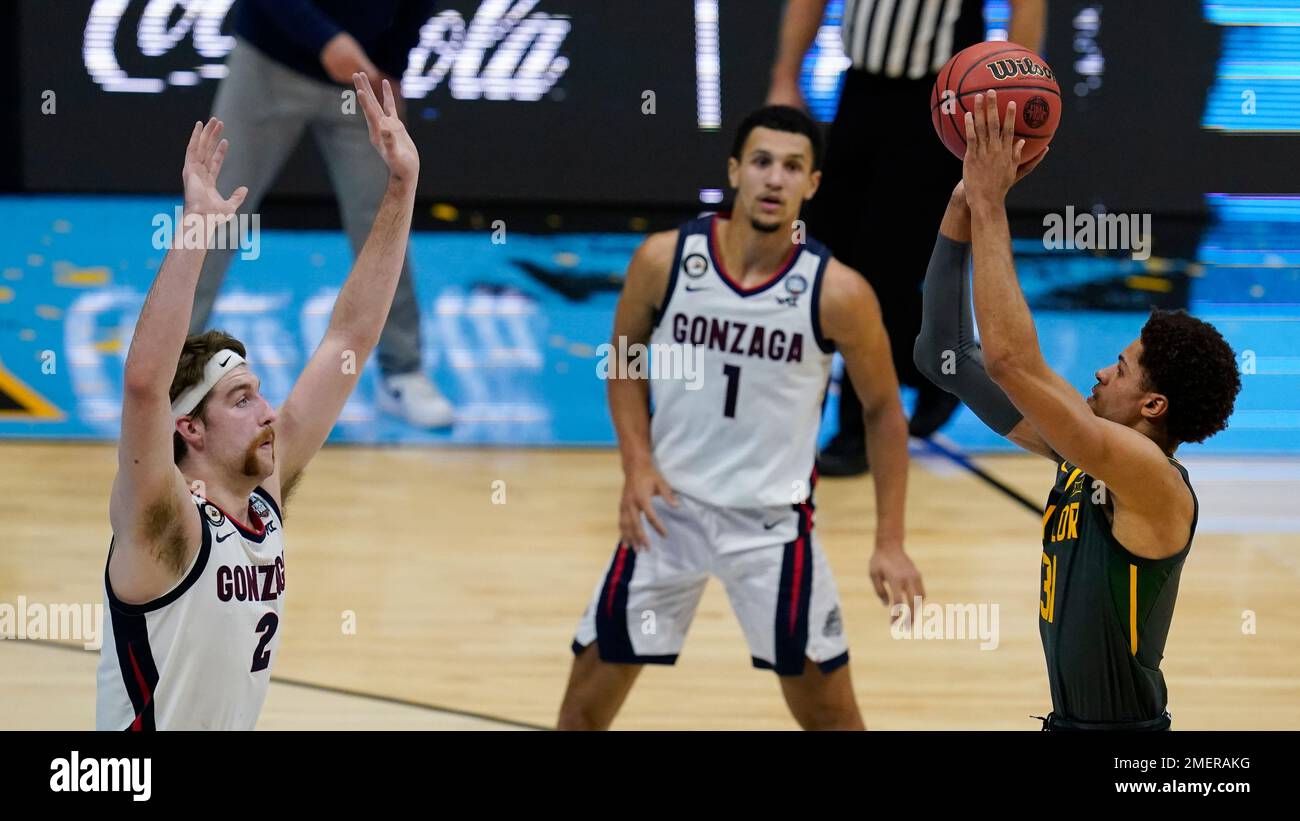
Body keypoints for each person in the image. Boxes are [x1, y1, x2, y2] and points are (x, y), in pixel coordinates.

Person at [557, 106, 923, 731]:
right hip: (667, 513)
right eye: (761, 162)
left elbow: (884, 411)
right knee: (581, 714)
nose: (774, 179)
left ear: (813, 183)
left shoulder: (838, 293)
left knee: (834, 721)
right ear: (734, 171)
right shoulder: (664, 260)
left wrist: (890, 539)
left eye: (793, 167)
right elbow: (622, 361)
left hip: (771, 526)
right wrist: (636, 463)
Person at [96, 74, 418, 730]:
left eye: (260, 393)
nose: (270, 412)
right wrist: (196, 229)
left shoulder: (260, 498)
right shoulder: (165, 519)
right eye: (242, 399)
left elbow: (349, 339)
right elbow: (144, 386)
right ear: (189, 428)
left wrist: (401, 185)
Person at [914, 91, 1241, 729]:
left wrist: (992, 203)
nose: (1099, 372)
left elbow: (1010, 360)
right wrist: (962, 203)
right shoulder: (1085, 455)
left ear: (1152, 404)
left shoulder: (1152, 481)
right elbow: (943, 355)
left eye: (1120, 368)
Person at [767, 0, 1047, 475]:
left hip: (939, 99)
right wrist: (785, 74)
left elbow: (1028, 5)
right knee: (822, 256)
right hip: (860, 88)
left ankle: (859, 429)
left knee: (881, 268)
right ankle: (939, 367)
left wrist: (1011, 106)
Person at [189, 0, 452, 428]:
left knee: (385, 224)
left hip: (361, 77)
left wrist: (391, 69)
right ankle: (171, 373)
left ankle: (402, 371)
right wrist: (325, 39)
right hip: (267, 63)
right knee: (212, 216)